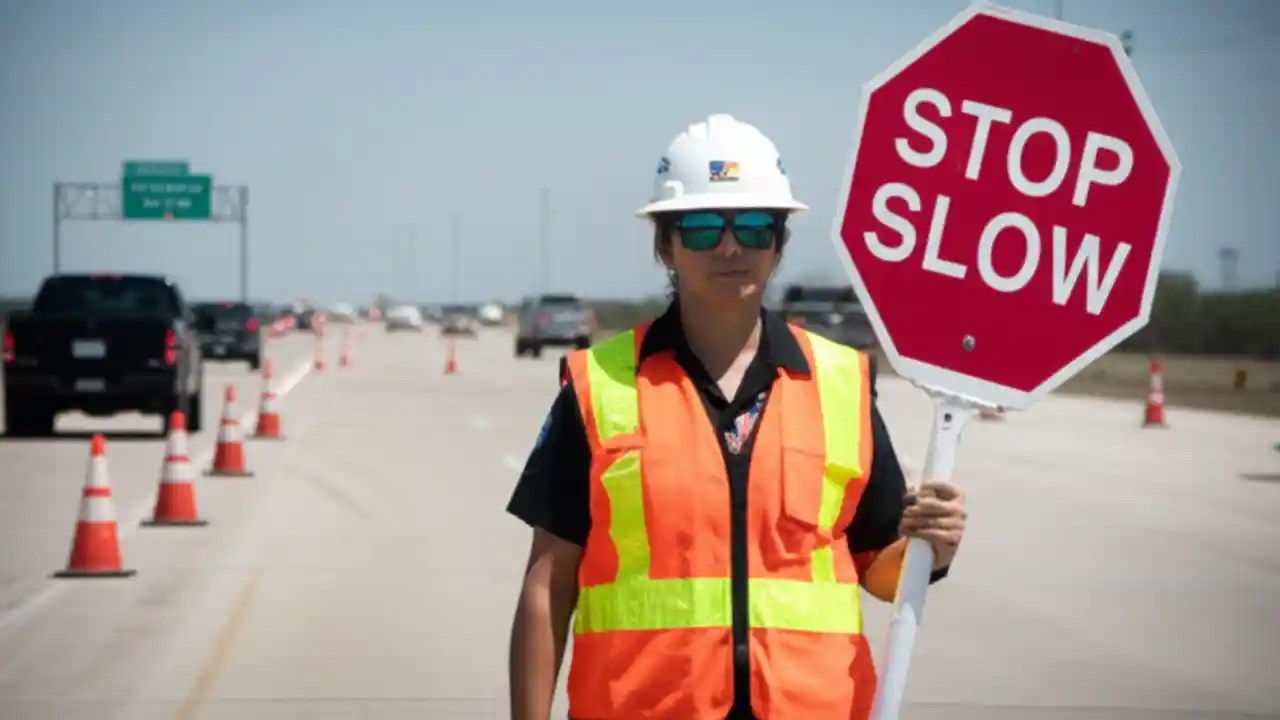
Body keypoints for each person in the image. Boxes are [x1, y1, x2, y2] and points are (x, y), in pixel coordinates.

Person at [506, 114, 968, 720]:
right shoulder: (601, 386)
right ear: (665, 244)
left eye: (754, 226)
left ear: (779, 241)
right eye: (701, 228)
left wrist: (933, 545)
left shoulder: (841, 383)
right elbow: (549, 582)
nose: (730, 247)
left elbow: (879, 572)